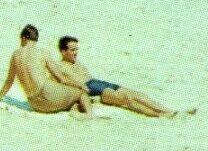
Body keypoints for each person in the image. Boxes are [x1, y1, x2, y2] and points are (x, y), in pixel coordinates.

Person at [50, 37, 191, 118]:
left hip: (99, 82)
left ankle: (167, 110)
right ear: (63, 51)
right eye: (72, 50)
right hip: (92, 89)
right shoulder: (59, 66)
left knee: (137, 94)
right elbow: (62, 84)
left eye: (77, 49)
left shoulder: (76, 62)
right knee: (127, 100)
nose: (76, 52)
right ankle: (158, 115)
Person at [0, 24, 92, 116]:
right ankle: (90, 115)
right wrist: (80, 85)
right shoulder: (42, 52)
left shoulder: (16, 54)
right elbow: (62, 79)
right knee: (80, 93)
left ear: (24, 38)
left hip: (35, 104)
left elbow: (9, 81)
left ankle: (74, 107)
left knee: (69, 97)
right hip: (47, 94)